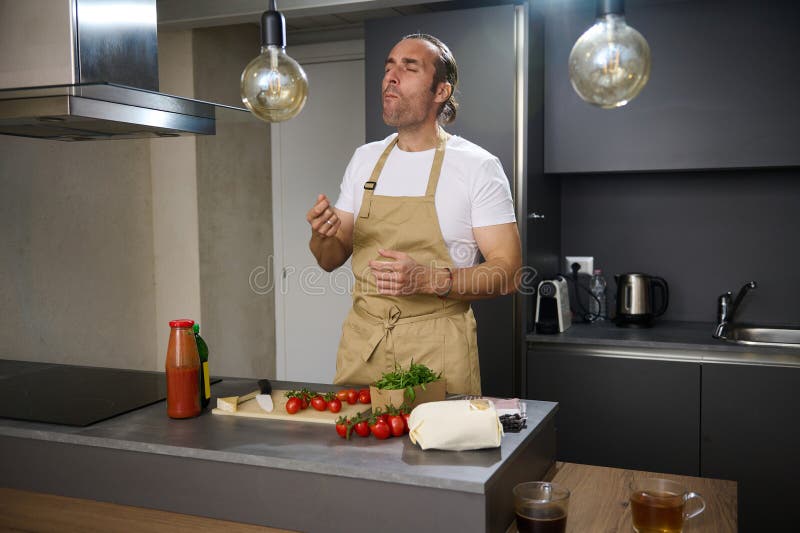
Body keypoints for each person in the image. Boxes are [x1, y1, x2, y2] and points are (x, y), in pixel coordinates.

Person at [305, 33, 521, 395]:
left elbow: (509, 272)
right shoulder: (364, 159)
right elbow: (329, 259)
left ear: (441, 91)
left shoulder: (477, 166)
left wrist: (427, 280)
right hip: (365, 346)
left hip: (438, 350)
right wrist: (321, 236)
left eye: (409, 68)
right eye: (389, 67)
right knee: (356, 435)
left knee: (436, 435)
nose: (391, 77)